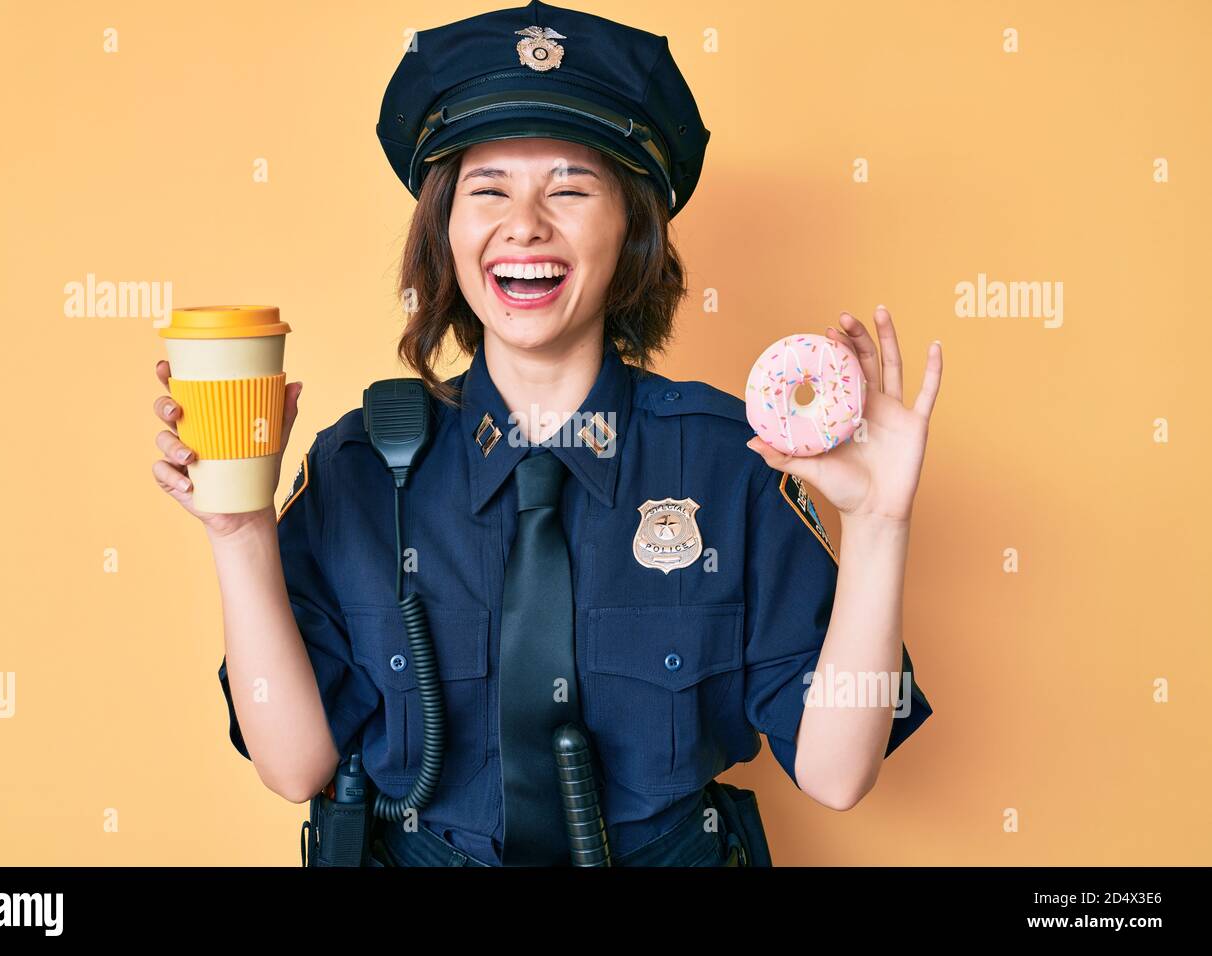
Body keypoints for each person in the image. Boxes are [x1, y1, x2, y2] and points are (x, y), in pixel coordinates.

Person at [150, 0, 942, 867]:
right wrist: (239, 532)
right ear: (446, 233)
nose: (524, 224)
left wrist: (878, 528)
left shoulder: (730, 460)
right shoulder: (358, 467)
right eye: (488, 190)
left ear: (632, 229)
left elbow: (837, 773)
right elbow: (293, 764)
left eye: (569, 188)